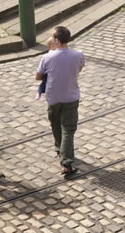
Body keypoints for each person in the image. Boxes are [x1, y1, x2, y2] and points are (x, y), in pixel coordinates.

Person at [36, 26, 84, 179]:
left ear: (56, 40)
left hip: (53, 98)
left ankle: (62, 153)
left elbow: (38, 76)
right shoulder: (78, 55)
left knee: (56, 126)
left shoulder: (47, 57)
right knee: (68, 129)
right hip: (71, 97)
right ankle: (66, 161)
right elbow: (79, 69)